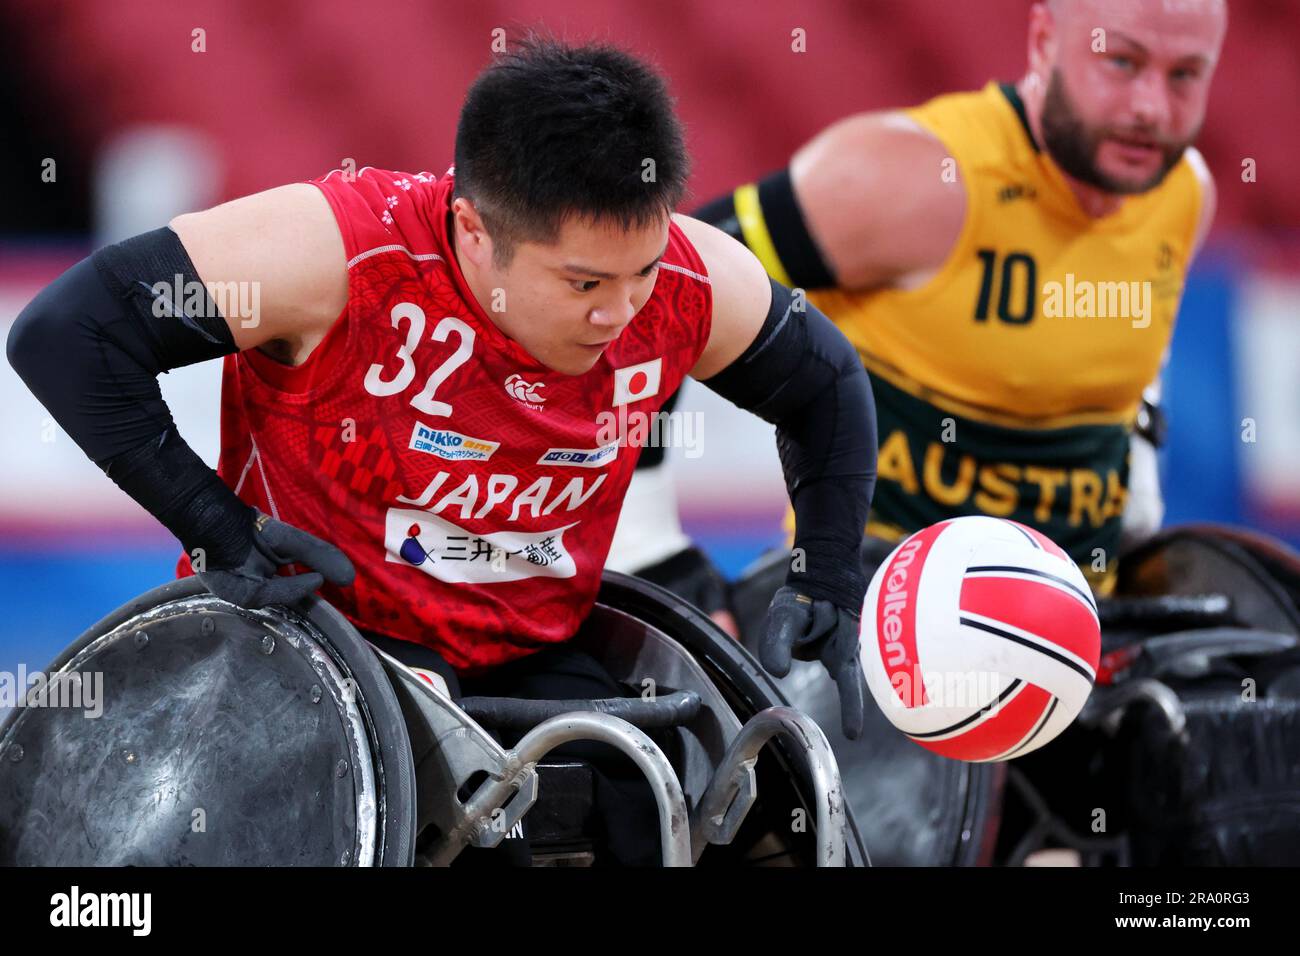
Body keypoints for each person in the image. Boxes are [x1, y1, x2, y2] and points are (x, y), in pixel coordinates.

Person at [6, 36, 877, 865]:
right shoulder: (335, 251)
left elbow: (830, 386)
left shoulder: (688, 279)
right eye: (582, 283)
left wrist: (826, 573)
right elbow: (65, 335)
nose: (619, 315)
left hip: (532, 658)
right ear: (471, 230)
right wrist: (219, 528)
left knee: (731, 794)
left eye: (639, 273)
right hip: (319, 656)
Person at [693, 0, 1224, 596]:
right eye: (1122, 61)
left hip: (1077, 634)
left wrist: (1142, 447)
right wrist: (657, 545)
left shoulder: (1184, 194)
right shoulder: (913, 176)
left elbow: (1135, 352)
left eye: (1185, 74)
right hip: (871, 623)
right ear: (1044, 38)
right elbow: (663, 283)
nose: (1151, 107)